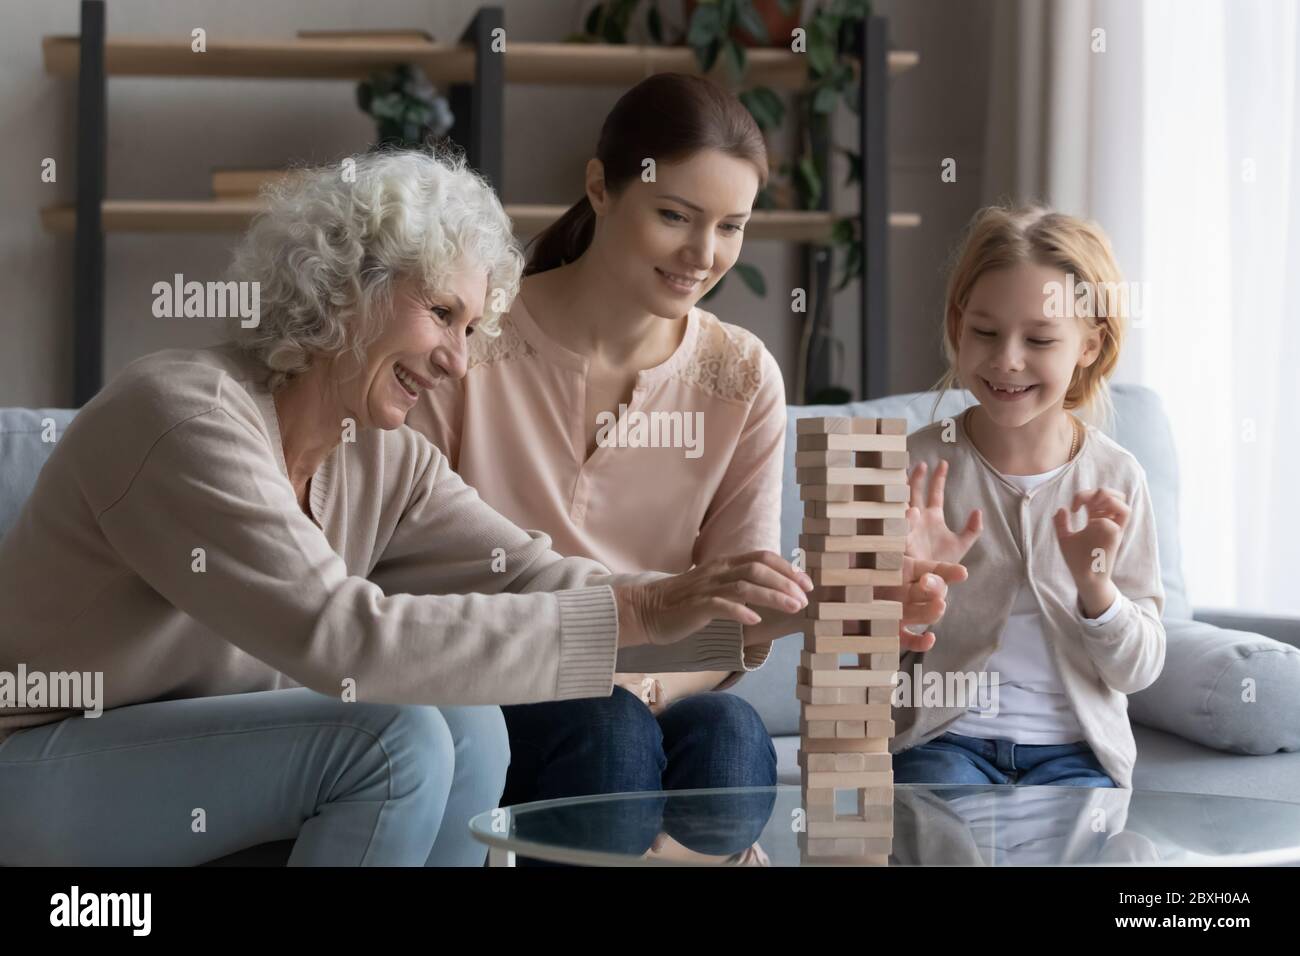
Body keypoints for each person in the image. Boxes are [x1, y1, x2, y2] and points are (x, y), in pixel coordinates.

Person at [0, 148, 953, 866]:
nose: (461, 358)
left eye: (474, 326)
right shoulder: (186, 416)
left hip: (214, 757)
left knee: (471, 727)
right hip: (43, 761)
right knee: (399, 730)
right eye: (443, 316)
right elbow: (346, 641)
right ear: (348, 285)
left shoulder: (381, 459)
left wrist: (792, 612)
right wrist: (654, 608)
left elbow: (544, 580)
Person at [407, 75, 965, 829]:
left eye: (731, 226)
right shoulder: (472, 339)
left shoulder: (741, 378)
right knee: (611, 734)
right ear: (601, 188)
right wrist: (609, 681)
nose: (703, 255)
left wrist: (850, 597)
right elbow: (417, 571)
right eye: (675, 215)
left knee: (730, 738)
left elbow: (741, 609)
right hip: (497, 679)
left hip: (652, 689)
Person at [893, 204, 1166, 789]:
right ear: (958, 323)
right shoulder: (914, 466)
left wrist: (1097, 590)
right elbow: (849, 650)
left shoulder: (1117, 480)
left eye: (1040, 338)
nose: (1006, 359)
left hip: (1077, 759)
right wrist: (903, 595)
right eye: (985, 332)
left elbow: (1139, 668)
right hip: (943, 745)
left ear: (1089, 347)